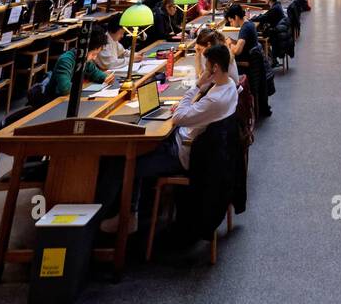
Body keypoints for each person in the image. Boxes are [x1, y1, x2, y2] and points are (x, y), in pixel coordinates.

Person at [100, 42, 239, 234]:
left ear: (215, 67)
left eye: (207, 66)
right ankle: (137, 210)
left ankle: (120, 218)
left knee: (125, 162)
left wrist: (197, 86)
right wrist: (189, 105)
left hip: (183, 153)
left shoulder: (214, 99)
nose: (204, 69)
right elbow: (190, 115)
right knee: (142, 148)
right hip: (190, 142)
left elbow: (179, 118)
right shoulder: (229, 86)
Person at [51, 27, 114, 96]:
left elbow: (96, 73)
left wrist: (105, 78)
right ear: (84, 50)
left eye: (96, 54)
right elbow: (64, 88)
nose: (94, 58)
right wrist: (84, 85)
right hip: (55, 99)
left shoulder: (85, 60)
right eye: (93, 54)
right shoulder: (66, 60)